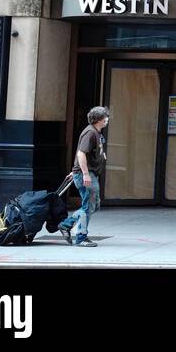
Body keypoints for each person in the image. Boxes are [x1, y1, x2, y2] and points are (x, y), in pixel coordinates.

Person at [58, 106, 109, 248]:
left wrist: (75, 171)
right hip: (87, 175)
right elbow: (81, 153)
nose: (107, 119)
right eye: (105, 117)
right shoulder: (90, 133)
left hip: (88, 174)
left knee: (93, 206)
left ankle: (65, 225)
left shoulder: (97, 133)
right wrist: (84, 173)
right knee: (88, 207)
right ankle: (81, 237)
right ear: (98, 119)